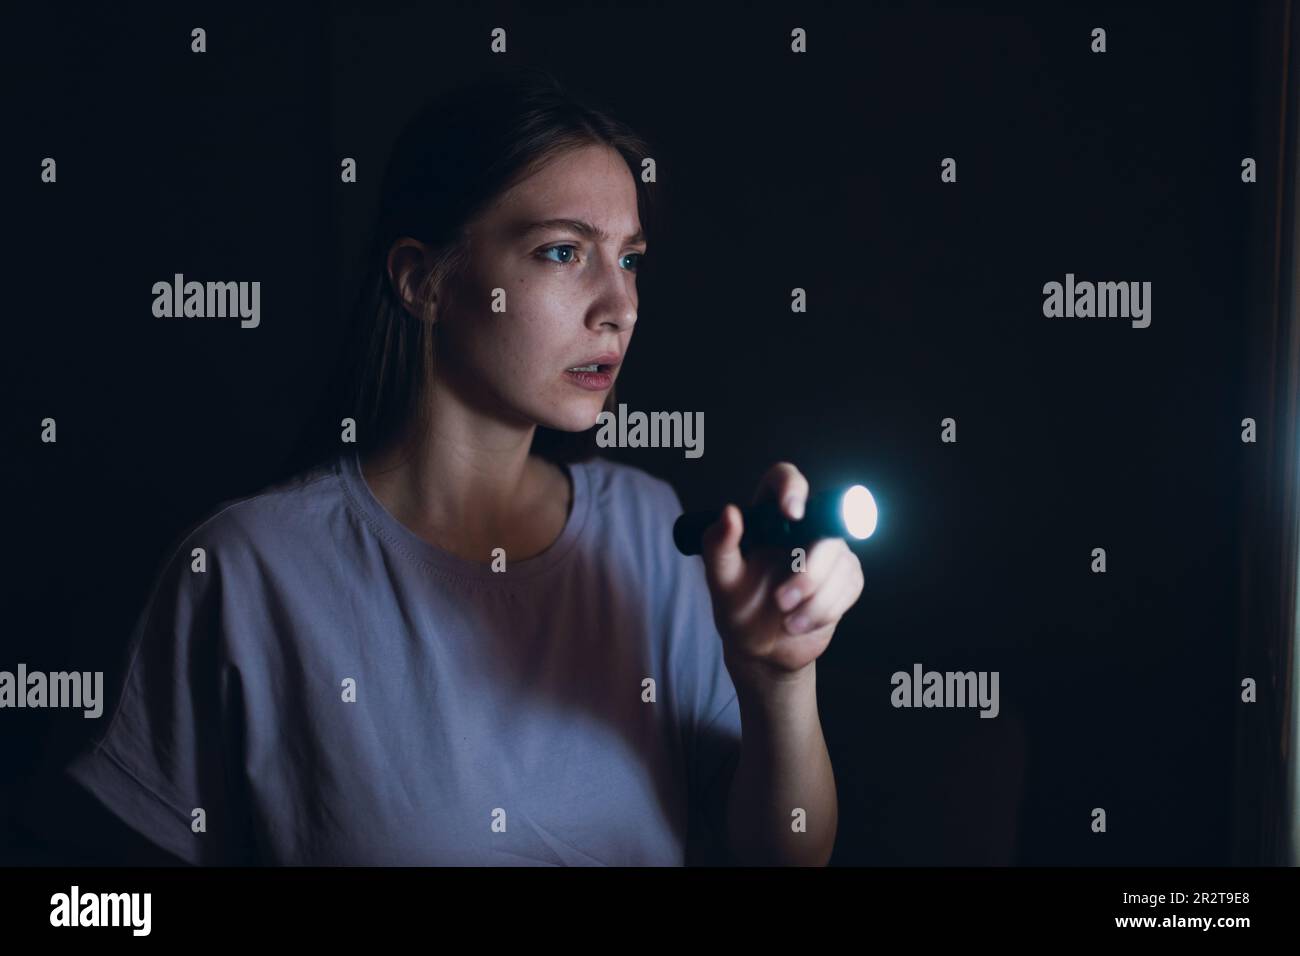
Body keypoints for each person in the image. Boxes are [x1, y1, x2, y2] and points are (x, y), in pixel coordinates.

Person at [60, 68, 862, 866]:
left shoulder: (653, 531)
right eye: (562, 252)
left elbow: (782, 858)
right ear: (423, 281)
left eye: (630, 259)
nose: (620, 306)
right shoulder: (247, 571)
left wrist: (778, 678)